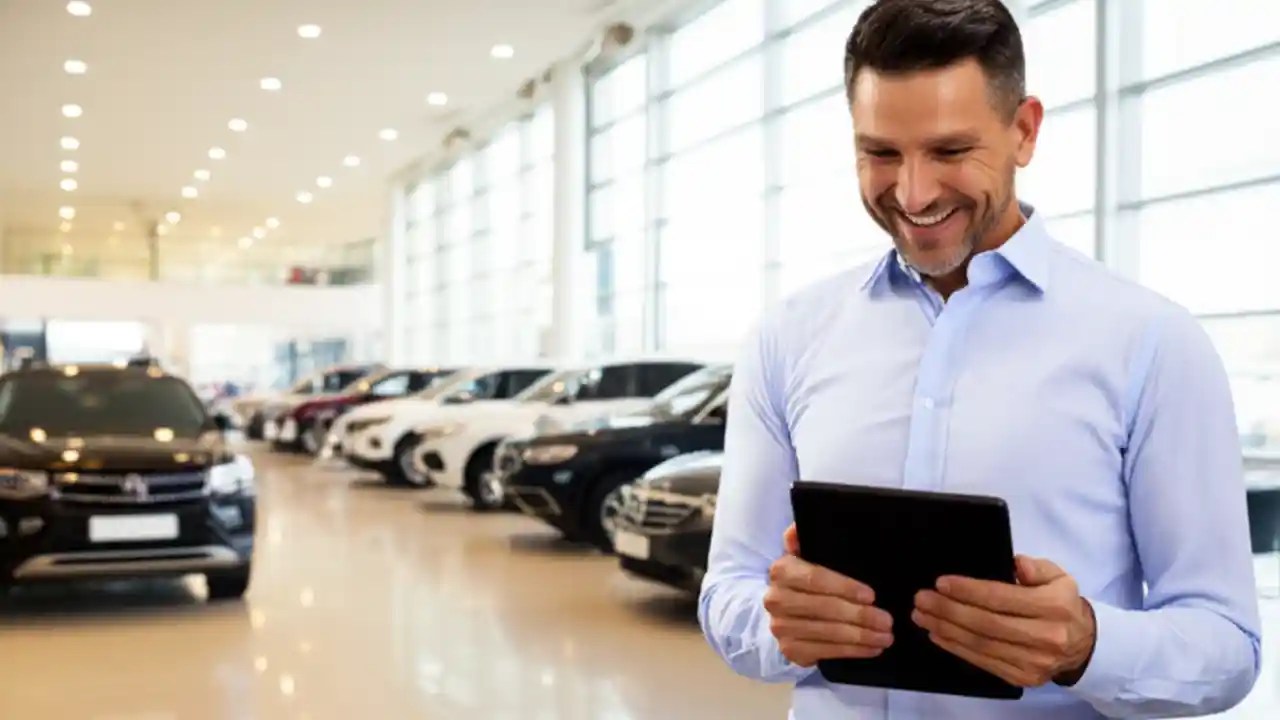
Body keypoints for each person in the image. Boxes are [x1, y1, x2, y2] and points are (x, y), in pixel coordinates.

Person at [697, 1, 1262, 718]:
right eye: (881, 153)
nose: (913, 193)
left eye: (950, 152)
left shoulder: (1152, 344)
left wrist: (1086, 644)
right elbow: (729, 595)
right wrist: (781, 628)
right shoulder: (788, 338)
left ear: (1024, 131)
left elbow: (1229, 647)